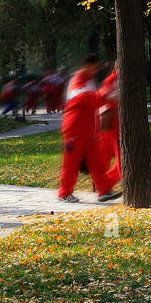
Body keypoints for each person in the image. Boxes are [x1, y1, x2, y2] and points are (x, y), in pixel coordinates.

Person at [57, 55, 121, 203]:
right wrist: (105, 97)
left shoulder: (90, 80)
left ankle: (104, 190)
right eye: (95, 67)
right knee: (71, 163)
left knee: (96, 162)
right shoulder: (77, 79)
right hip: (74, 130)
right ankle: (64, 193)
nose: (96, 70)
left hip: (89, 130)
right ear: (87, 65)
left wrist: (104, 98)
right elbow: (83, 97)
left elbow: (94, 100)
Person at [97, 64, 122, 188]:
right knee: (107, 158)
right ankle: (102, 185)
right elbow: (102, 96)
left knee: (119, 162)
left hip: (116, 127)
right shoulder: (111, 81)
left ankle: (102, 184)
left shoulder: (121, 80)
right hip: (111, 127)